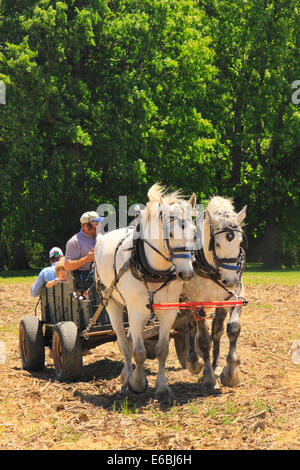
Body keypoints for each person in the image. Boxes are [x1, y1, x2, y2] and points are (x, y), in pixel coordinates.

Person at [64, 211, 104, 293]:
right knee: (102, 278)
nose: (100, 226)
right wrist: (86, 259)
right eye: (97, 223)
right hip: (83, 277)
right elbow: (67, 266)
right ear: (87, 226)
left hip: (100, 272)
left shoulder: (101, 238)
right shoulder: (74, 242)